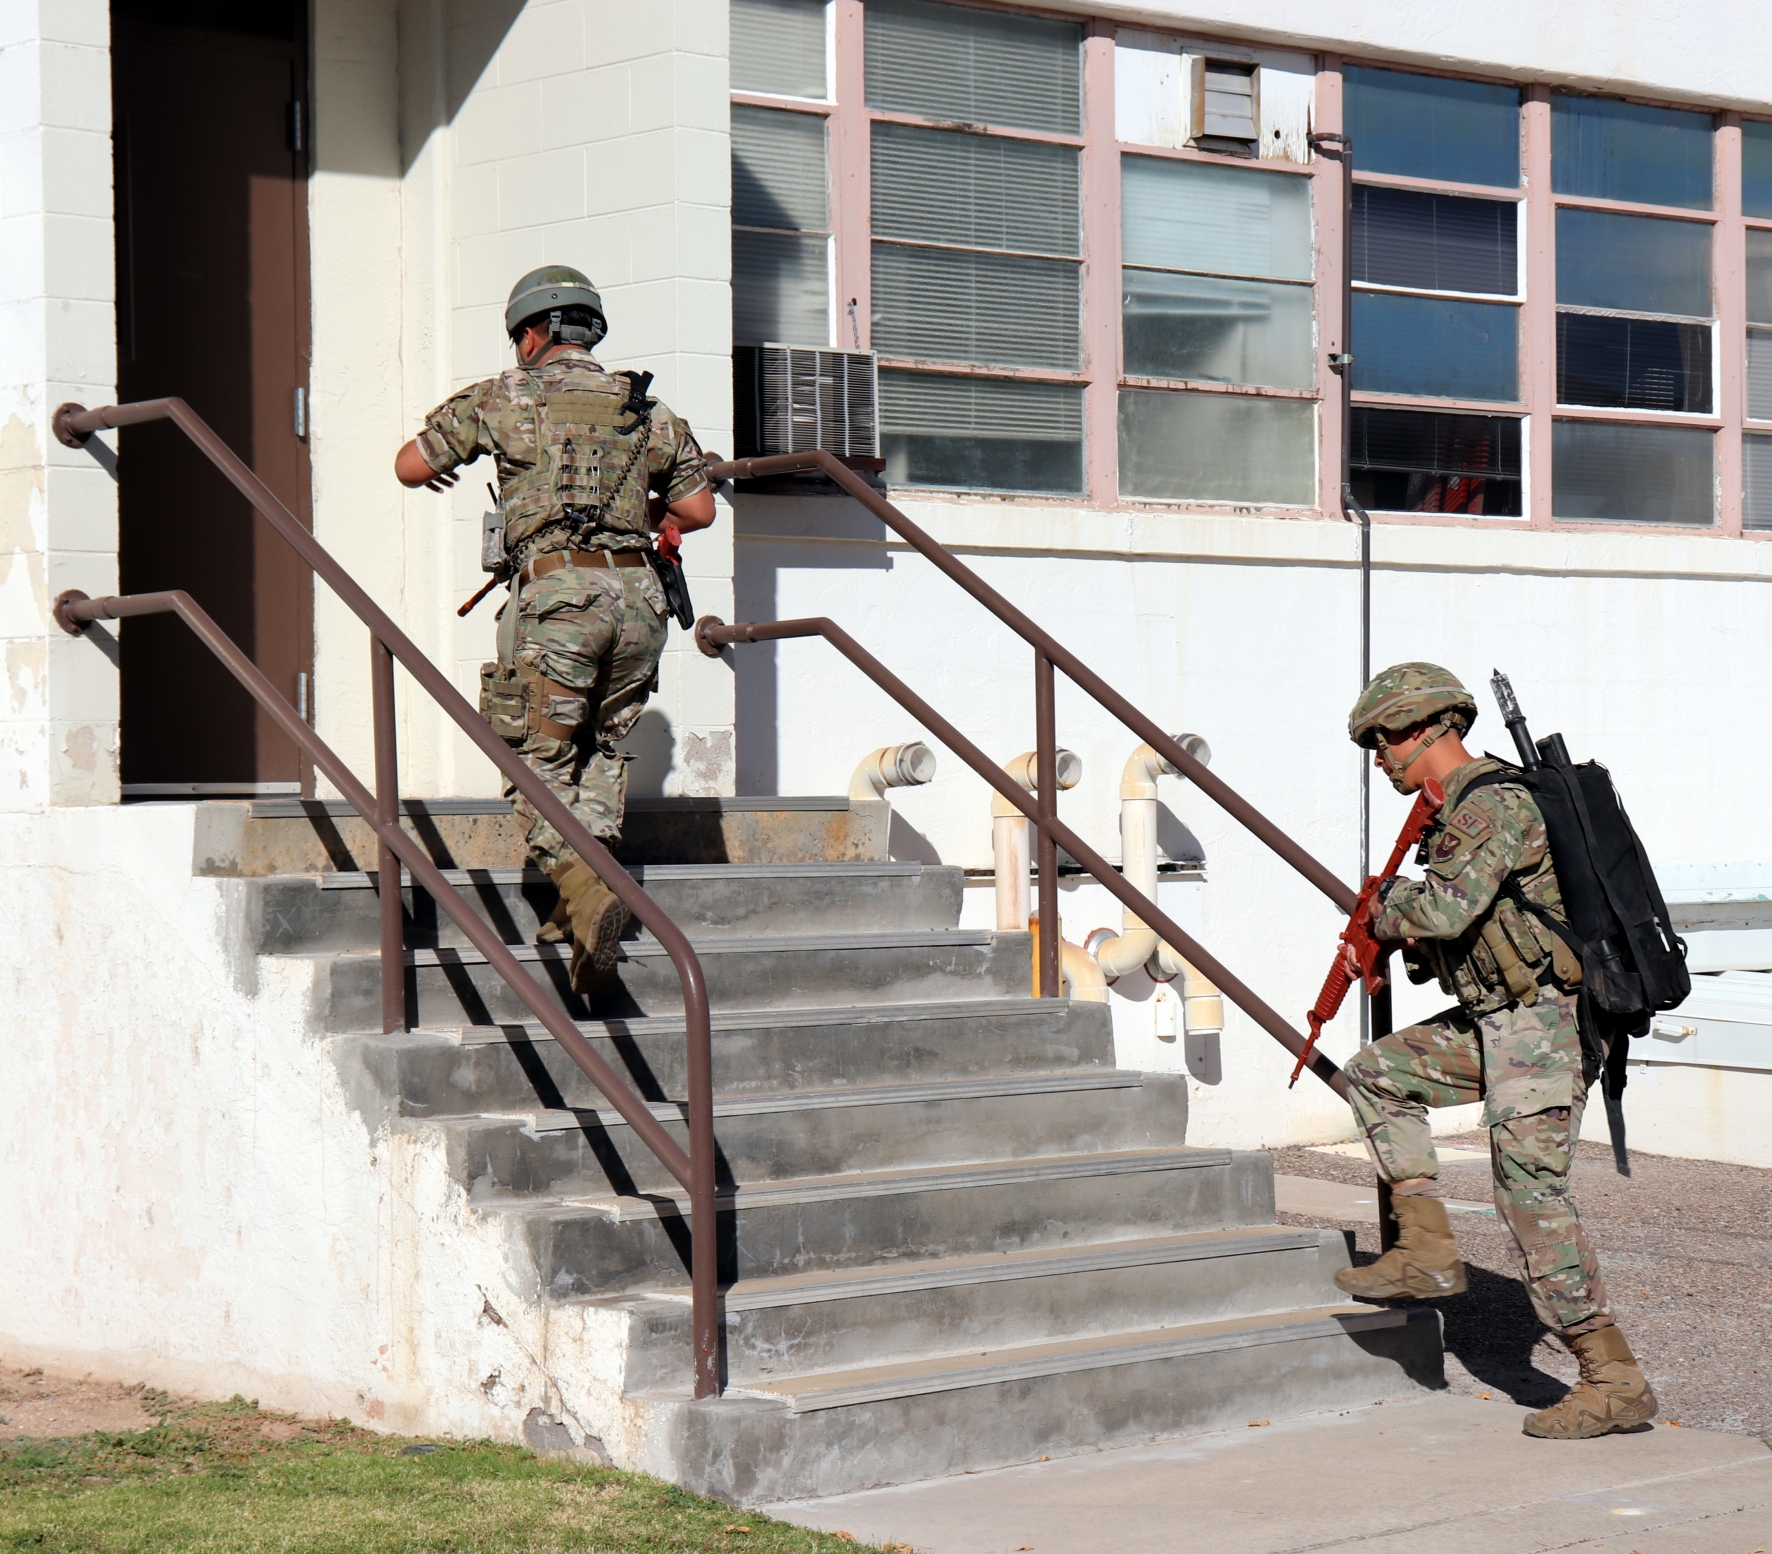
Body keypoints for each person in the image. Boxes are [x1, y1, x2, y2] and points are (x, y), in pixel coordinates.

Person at [1335, 662, 1657, 1441]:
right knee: (1377, 1075)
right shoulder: (1458, 814)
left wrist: (1382, 913)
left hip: (1544, 1025)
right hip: (1497, 1020)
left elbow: (1445, 910)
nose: (1380, 755)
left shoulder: (1494, 803)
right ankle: (1428, 1246)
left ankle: (1613, 1380)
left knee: (1530, 1195)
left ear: (1431, 727)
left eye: (1386, 737)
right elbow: (1460, 933)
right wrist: (1393, 930)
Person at [393, 266, 715, 992]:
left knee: (528, 756)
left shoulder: (506, 395)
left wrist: (448, 465)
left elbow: (410, 465)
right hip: (640, 600)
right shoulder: (650, 410)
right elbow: (698, 512)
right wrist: (646, 516)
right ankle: (580, 912)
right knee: (599, 746)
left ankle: (584, 890)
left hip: (560, 597)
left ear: (533, 333)